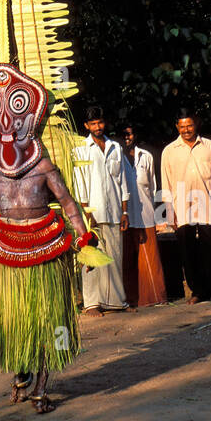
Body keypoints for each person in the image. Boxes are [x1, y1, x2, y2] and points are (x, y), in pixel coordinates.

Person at [0, 64, 91, 413]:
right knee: (11, 319)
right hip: (5, 250)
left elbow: (68, 203)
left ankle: (40, 386)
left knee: (49, 319)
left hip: (47, 246)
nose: (9, 129)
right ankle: (21, 375)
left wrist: (85, 240)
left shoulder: (44, 167)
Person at [160, 108, 211, 303]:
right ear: (177, 127)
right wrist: (169, 211)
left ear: (196, 124)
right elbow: (166, 183)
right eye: (182, 126)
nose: (186, 130)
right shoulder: (169, 151)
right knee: (187, 251)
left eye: (189, 125)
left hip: (207, 205)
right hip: (181, 207)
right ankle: (197, 292)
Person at [71, 105, 130, 315]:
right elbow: (80, 183)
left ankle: (115, 301)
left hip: (114, 210)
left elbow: (122, 181)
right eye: (93, 123)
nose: (98, 127)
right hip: (91, 213)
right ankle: (92, 304)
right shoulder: (80, 149)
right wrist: (87, 213)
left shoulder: (115, 147)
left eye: (100, 122)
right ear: (86, 125)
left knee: (114, 256)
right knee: (91, 258)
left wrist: (125, 211)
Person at [121, 122, 167, 307]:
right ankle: (131, 300)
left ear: (135, 136)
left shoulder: (146, 156)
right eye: (124, 134)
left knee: (151, 258)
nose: (127, 138)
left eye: (130, 134)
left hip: (146, 213)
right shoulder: (116, 157)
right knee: (128, 259)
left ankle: (156, 298)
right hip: (125, 216)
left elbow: (153, 187)